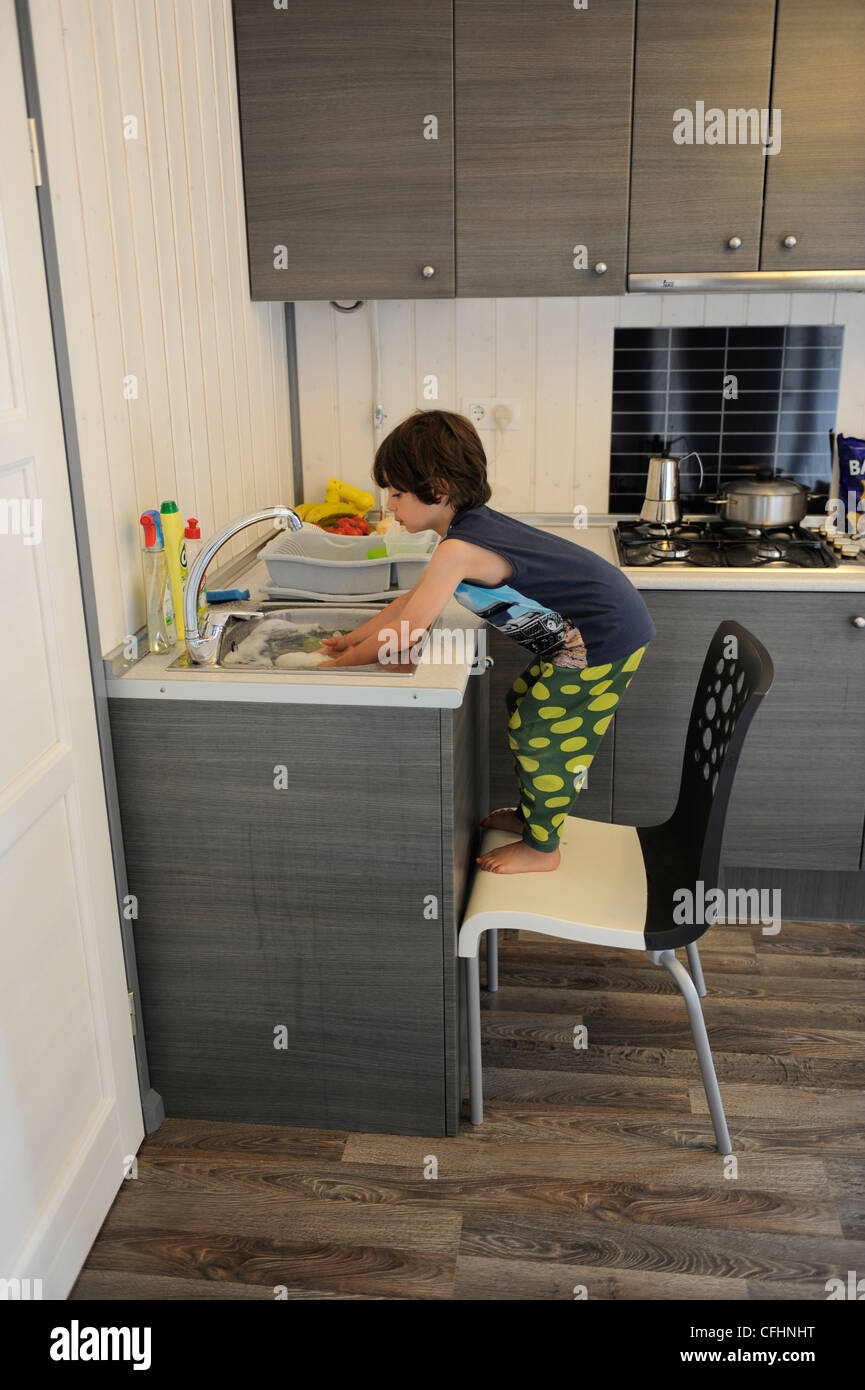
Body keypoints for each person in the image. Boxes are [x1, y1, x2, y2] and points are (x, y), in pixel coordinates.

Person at [318, 409, 656, 874]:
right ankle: (533, 819)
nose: (389, 506)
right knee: (524, 708)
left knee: (542, 735)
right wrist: (347, 642)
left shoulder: (459, 549)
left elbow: (405, 633)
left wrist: (335, 669)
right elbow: (408, 604)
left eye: (395, 493)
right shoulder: (464, 532)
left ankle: (544, 849)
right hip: (587, 633)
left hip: (603, 636)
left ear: (436, 490)